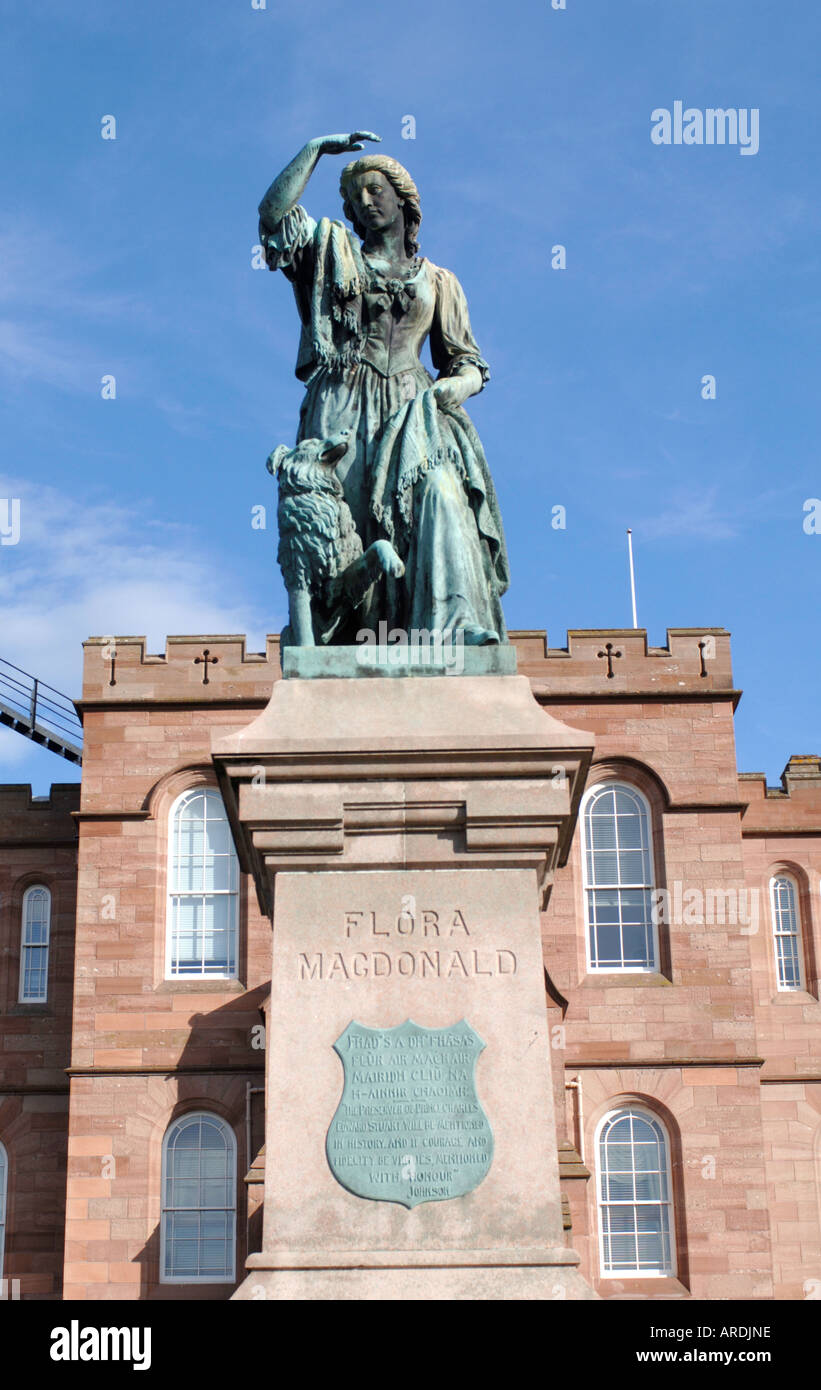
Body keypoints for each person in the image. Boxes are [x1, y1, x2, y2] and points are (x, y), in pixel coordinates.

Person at [258, 131, 509, 645]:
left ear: (403, 199)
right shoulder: (330, 250)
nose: (365, 201)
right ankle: (339, 642)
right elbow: (273, 216)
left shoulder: (439, 281)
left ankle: (453, 628)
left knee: (440, 495)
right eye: (355, 197)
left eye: (375, 190)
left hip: (414, 409)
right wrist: (315, 150)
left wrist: (455, 389)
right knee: (337, 525)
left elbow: (468, 362)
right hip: (340, 407)